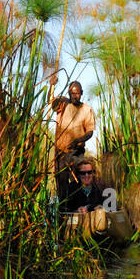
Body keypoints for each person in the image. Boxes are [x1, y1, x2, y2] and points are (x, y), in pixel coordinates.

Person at [49, 78, 96, 207]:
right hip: (61, 153)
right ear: (69, 94)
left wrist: (78, 141)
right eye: (72, 93)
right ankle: (63, 211)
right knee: (61, 184)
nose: (75, 96)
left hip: (77, 153)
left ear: (81, 93)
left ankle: (79, 209)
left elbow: (90, 132)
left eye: (77, 93)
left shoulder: (86, 109)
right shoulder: (63, 104)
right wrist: (52, 86)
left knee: (78, 181)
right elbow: (51, 102)